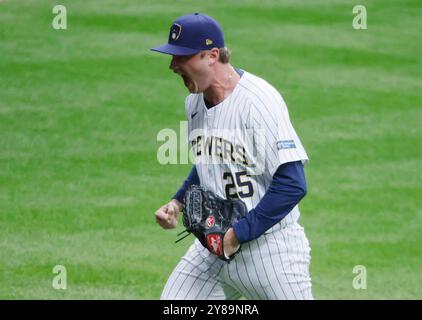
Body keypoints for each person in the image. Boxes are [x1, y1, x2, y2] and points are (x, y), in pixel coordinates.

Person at [151, 13, 313, 300]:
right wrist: (177, 201)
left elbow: (293, 184)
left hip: (270, 251)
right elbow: (209, 161)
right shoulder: (194, 102)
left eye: (181, 57)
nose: (173, 65)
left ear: (212, 55)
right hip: (212, 250)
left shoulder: (258, 102)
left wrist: (236, 235)